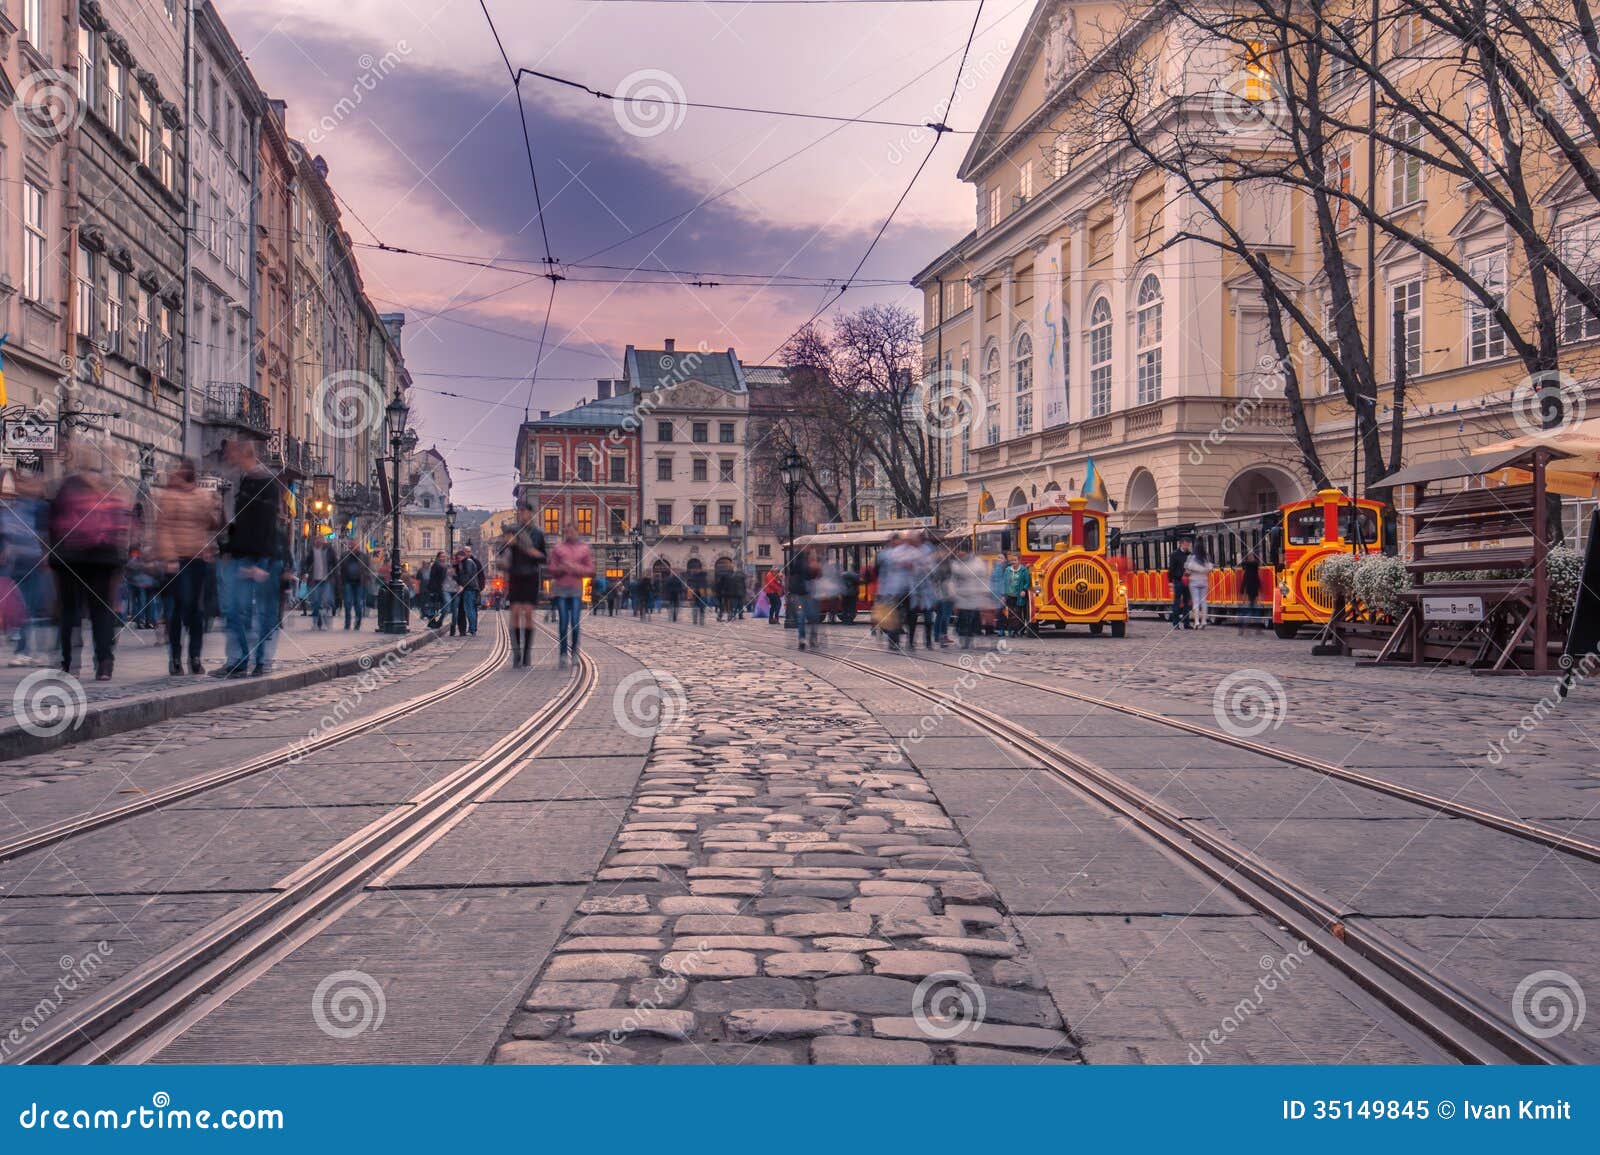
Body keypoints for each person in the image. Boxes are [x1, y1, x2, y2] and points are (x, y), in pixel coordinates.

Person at [48, 448, 132, 679]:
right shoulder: (111, 488)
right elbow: (121, 527)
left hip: (70, 557)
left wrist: (51, 558)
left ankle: (70, 663)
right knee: (102, 611)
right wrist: (119, 562)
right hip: (104, 558)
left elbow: (53, 524)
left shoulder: (67, 487)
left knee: (70, 610)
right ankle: (104, 663)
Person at [216, 438, 283, 677]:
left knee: (261, 613)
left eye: (233, 454)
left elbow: (268, 525)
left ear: (244, 455)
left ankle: (261, 661)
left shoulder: (267, 483)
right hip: (241, 555)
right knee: (234, 609)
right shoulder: (245, 481)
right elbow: (242, 523)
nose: (230, 459)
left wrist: (263, 561)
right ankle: (238, 661)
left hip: (261, 558)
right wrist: (228, 549)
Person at [152, 458, 222, 675]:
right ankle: (175, 657)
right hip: (178, 559)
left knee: (196, 610)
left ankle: (194, 657)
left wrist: (214, 507)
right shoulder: (170, 495)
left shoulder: (201, 495)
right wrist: (169, 557)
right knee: (178, 608)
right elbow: (163, 528)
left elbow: (211, 524)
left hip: (198, 558)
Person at [1, 479, 48, 665]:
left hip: (26, 561)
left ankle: (27, 649)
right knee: (27, 607)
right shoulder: (31, 508)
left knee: (28, 606)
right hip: (22, 562)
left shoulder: (21, 508)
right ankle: (26, 649)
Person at [501, 506, 547, 668]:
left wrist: (534, 553)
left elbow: (544, 557)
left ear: (532, 514)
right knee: (514, 614)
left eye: (525, 512)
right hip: (515, 576)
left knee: (528, 614)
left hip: (531, 576)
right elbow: (502, 553)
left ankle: (527, 652)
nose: (523, 515)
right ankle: (516, 652)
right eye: (520, 512)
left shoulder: (538, 534)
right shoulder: (512, 530)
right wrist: (508, 543)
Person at [546, 524, 594, 667]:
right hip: (561, 590)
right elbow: (551, 568)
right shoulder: (558, 548)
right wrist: (561, 568)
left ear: (577, 532)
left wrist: (576, 568)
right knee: (563, 623)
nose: (570, 534)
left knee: (575, 623)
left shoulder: (584, 548)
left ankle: (575, 653)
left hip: (575, 590)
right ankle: (562, 654)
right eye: (567, 532)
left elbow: (590, 569)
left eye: (572, 532)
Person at [949, 540, 997, 649]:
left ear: (967, 551)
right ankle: (963, 639)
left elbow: (983, 579)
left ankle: (968, 640)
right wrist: (952, 593)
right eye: (958, 551)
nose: (958, 553)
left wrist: (985, 594)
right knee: (962, 619)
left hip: (974, 596)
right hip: (961, 597)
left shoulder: (977, 562)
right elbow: (952, 579)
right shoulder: (956, 563)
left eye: (961, 551)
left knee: (970, 620)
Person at [788, 545, 820, 651]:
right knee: (813, 616)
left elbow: (792, 575)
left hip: (799, 594)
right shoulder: (806, 563)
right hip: (807, 594)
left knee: (801, 617)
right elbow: (810, 576)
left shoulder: (795, 562)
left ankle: (802, 639)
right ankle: (812, 638)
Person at [302, 536, 337, 630]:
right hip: (314, 580)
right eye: (317, 540)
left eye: (321, 540)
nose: (319, 542)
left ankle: (325, 622)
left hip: (326, 580)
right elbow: (306, 563)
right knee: (316, 602)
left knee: (325, 602)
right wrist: (305, 573)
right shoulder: (312, 551)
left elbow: (335, 563)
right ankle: (316, 623)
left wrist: (334, 576)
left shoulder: (329, 551)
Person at [1000, 552, 1032, 639]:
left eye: (1015, 560)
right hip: (1009, 595)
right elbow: (1004, 582)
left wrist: (1024, 590)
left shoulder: (1023, 570)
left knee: (1018, 613)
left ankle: (1019, 630)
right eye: (1012, 560)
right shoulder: (1007, 570)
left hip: (1019, 596)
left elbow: (1027, 581)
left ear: (1019, 561)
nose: (1013, 562)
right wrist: (1003, 594)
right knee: (1010, 614)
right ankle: (1013, 631)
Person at [1186, 541, 1215, 629]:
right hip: (1204, 581)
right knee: (1204, 602)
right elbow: (1210, 568)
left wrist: (1193, 570)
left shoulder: (1191, 557)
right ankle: (1204, 621)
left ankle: (1196, 621)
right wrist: (1203, 570)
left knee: (1196, 601)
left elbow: (1188, 570)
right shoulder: (1207, 557)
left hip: (1194, 581)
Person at [340, 546, 370, 630]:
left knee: (358, 603)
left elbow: (367, 569)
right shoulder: (345, 556)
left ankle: (357, 623)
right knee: (347, 603)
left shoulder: (363, 556)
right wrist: (341, 580)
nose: (353, 548)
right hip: (347, 582)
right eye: (351, 546)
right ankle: (347, 623)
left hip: (359, 583)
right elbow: (340, 568)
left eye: (355, 546)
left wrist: (366, 579)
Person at [1167, 535, 1193, 630]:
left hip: (1188, 580)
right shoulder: (1174, 554)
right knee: (1177, 602)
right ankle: (1175, 623)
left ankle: (1186, 623)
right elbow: (1171, 568)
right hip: (1178, 580)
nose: (1187, 547)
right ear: (1181, 544)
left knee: (1187, 603)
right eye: (1186, 545)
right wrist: (1171, 580)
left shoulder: (1190, 555)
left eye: (1188, 545)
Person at [456, 545, 483, 636]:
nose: (458, 560)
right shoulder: (468, 562)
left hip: (469, 588)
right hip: (472, 588)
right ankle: (473, 628)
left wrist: (462, 585)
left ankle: (472, 629)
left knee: (469, 609)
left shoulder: (468, 562)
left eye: (459, 558)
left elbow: (467, 576)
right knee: (471, 609)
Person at [1240, 549, 1263, 631]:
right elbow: (1257, 579)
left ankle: (1246, 624)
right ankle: (1255, 624)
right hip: (1253, 588)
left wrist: (1242, 590)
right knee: (1253, 605)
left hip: (1251, 588)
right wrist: (1260, 589)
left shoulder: (1248, 567)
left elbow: (1245, 580)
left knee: (1251, 606)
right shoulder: (1254, 567)